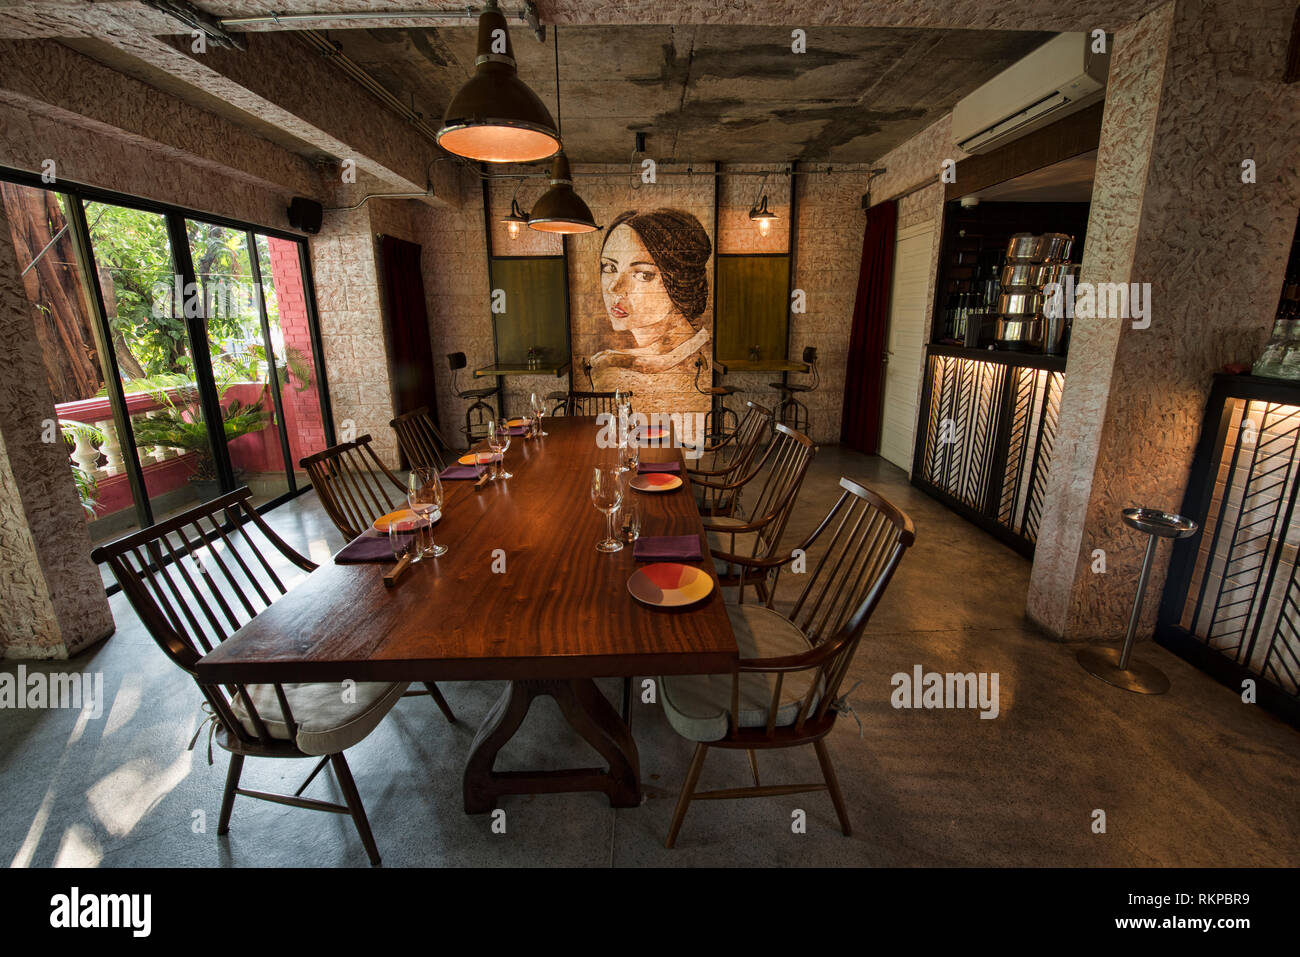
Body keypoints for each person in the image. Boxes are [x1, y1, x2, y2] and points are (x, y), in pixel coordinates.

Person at [591, 208, 712, 398]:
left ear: (680, 281)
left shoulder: (700, 360)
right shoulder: (611, 362)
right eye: (610, 267)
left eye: (643, 274)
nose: (614, 287)